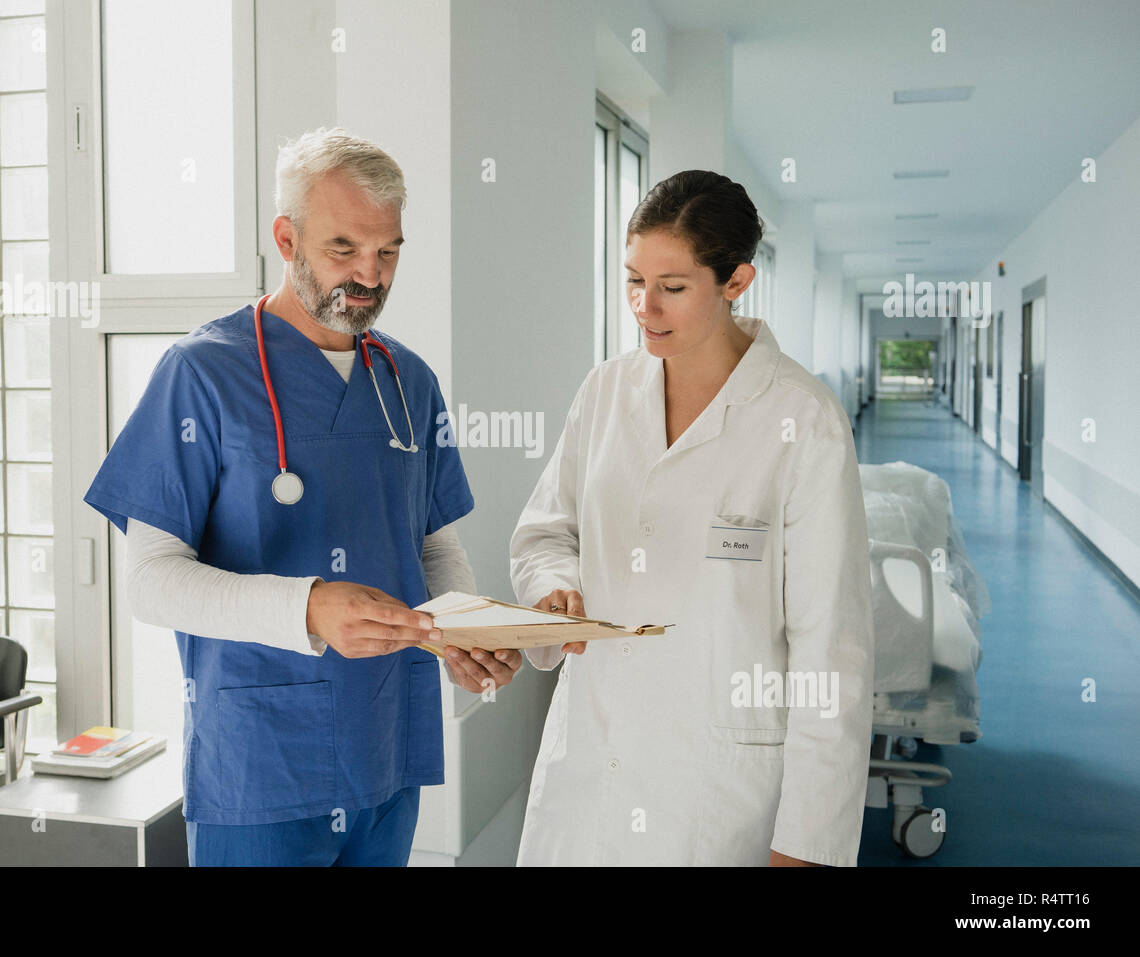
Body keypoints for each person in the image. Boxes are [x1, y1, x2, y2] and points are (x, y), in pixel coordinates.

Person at [84, 128, 522, 866]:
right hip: (260, 764)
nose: (370, 276)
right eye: (343, 248)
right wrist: (308, 607)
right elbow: (150, 582)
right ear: (286, 237)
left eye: (388, 252)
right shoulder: (201, 373)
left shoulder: (407, 382)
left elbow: (431, 542)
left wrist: (462, 629)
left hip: (387, 747)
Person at [509, 169, 874, 866]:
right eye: (633, 280)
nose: (645, 306)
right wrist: (554, 585)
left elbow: (834, 650)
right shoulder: (606, 391)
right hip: (593, 756)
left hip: (718, 792)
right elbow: (547, 531)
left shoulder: (804, 419)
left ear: (736, 281)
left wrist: (807, 844)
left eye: (673, 287)